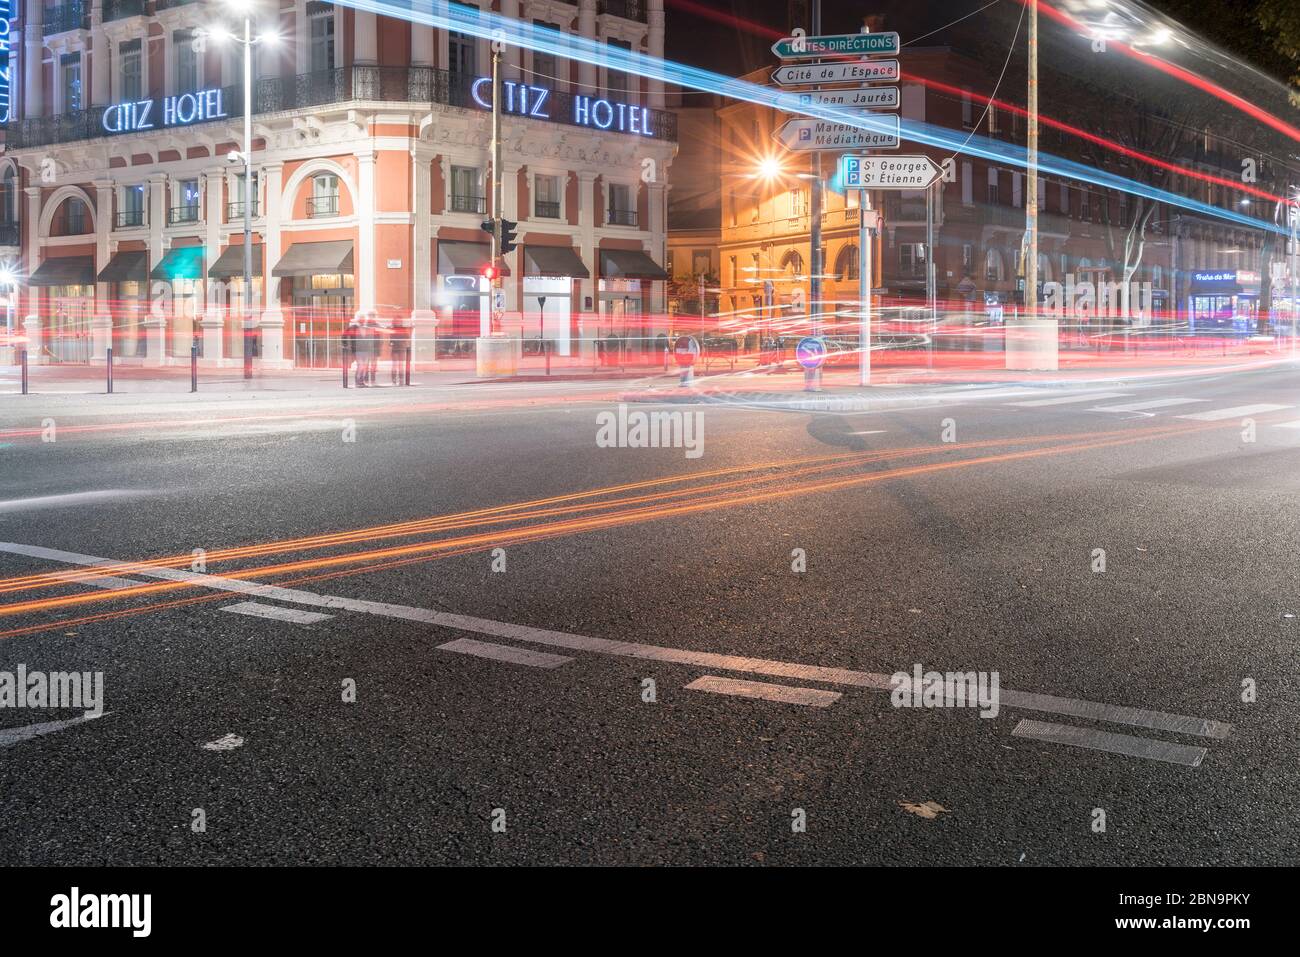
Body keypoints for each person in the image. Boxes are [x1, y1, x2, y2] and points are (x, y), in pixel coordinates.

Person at [389, 315, 412, 385]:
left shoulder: (403, 329)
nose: (398, 322)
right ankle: (394, 380)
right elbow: (391, 339)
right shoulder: (392, 328)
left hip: (402, 348)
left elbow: (407, 337)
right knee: (395, 365)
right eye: (397, 321)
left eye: (399, 321)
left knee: (401, 365)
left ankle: (401, 379)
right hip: (395, 348)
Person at [343, 316, 360, 386]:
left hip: (354, 349)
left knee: (360, 364)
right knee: (360, 364)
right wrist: (345, 344)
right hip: (356, 349)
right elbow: (344, 336)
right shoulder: (356, 328)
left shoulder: (351, 328)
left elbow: (344, 336)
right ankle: (358, 380)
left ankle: (358, 380)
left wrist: (345, 344)